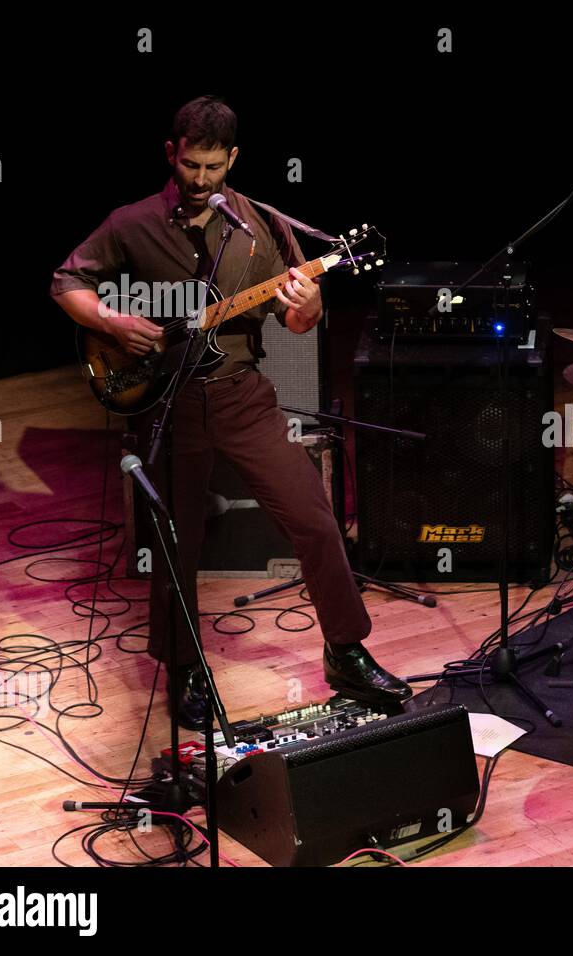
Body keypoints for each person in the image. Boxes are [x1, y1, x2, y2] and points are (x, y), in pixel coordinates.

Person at [51, 96, 411, 728]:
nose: (201, 180)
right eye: (191, 165)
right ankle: (186, 669)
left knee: (313, 515)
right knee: (175, 542)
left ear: (233, 160)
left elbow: (297, 319)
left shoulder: (260, 227)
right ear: (172, 154)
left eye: (214, 167)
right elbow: (65, 282)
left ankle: (346, 652)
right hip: (169, 404)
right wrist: (110, 318)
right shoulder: (131, 223)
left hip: (243, 396)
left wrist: (311, 302)